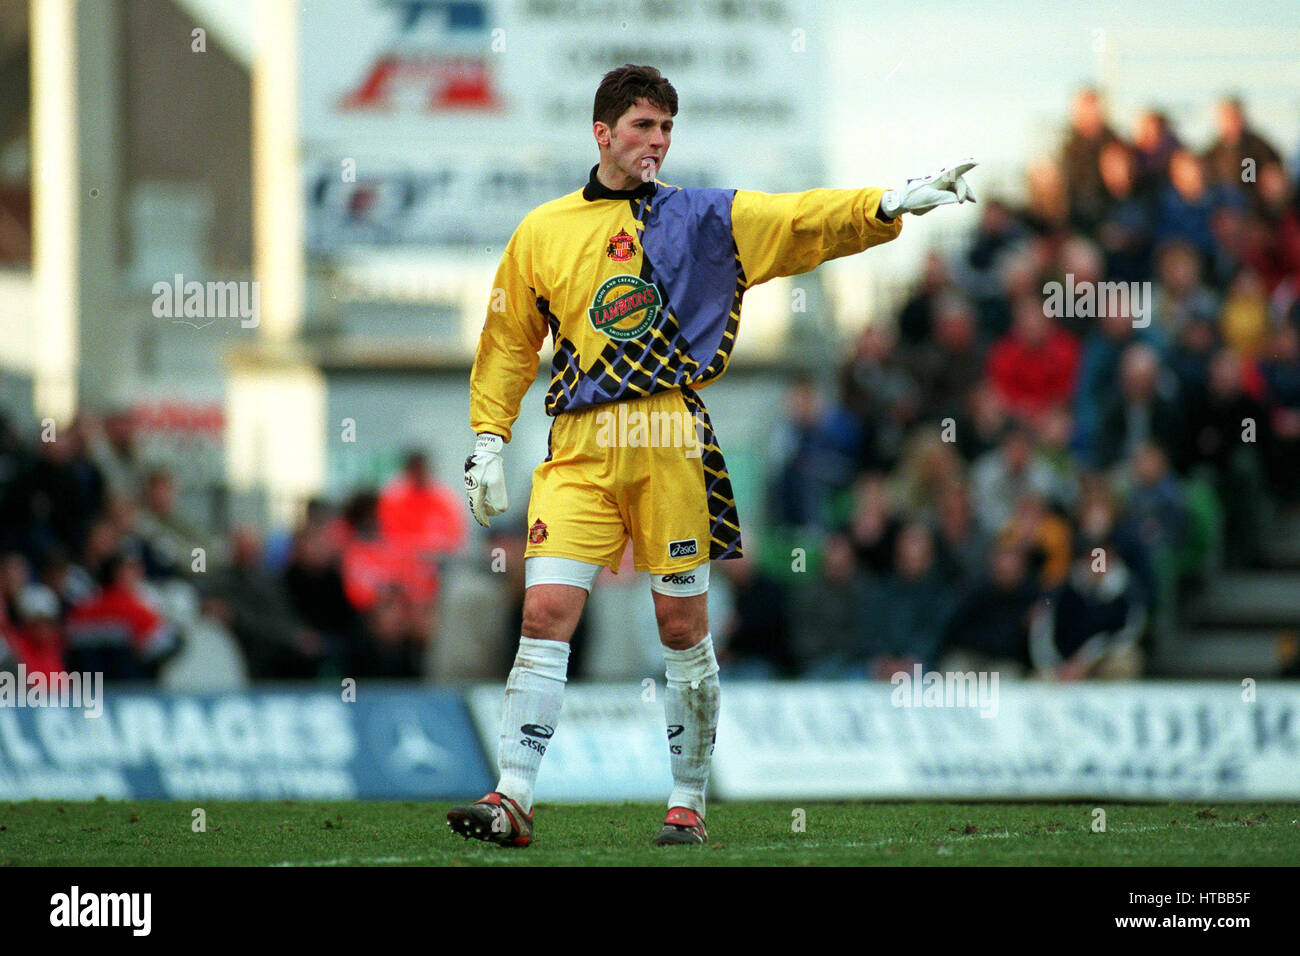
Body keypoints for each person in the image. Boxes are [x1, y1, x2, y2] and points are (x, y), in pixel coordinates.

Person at [449, 64, 976, 848]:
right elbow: (507, 344)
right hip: (579, 447)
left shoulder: (697, 218)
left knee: (681, 627)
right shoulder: (541, 231)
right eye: (643, 127)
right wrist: (489, 437)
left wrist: (883, 205)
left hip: (668, 440)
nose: (657, 141)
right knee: (543, 612)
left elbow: (795, 220)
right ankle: (513, 797)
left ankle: (687, 799)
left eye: (666, 128)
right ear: (602, 133)